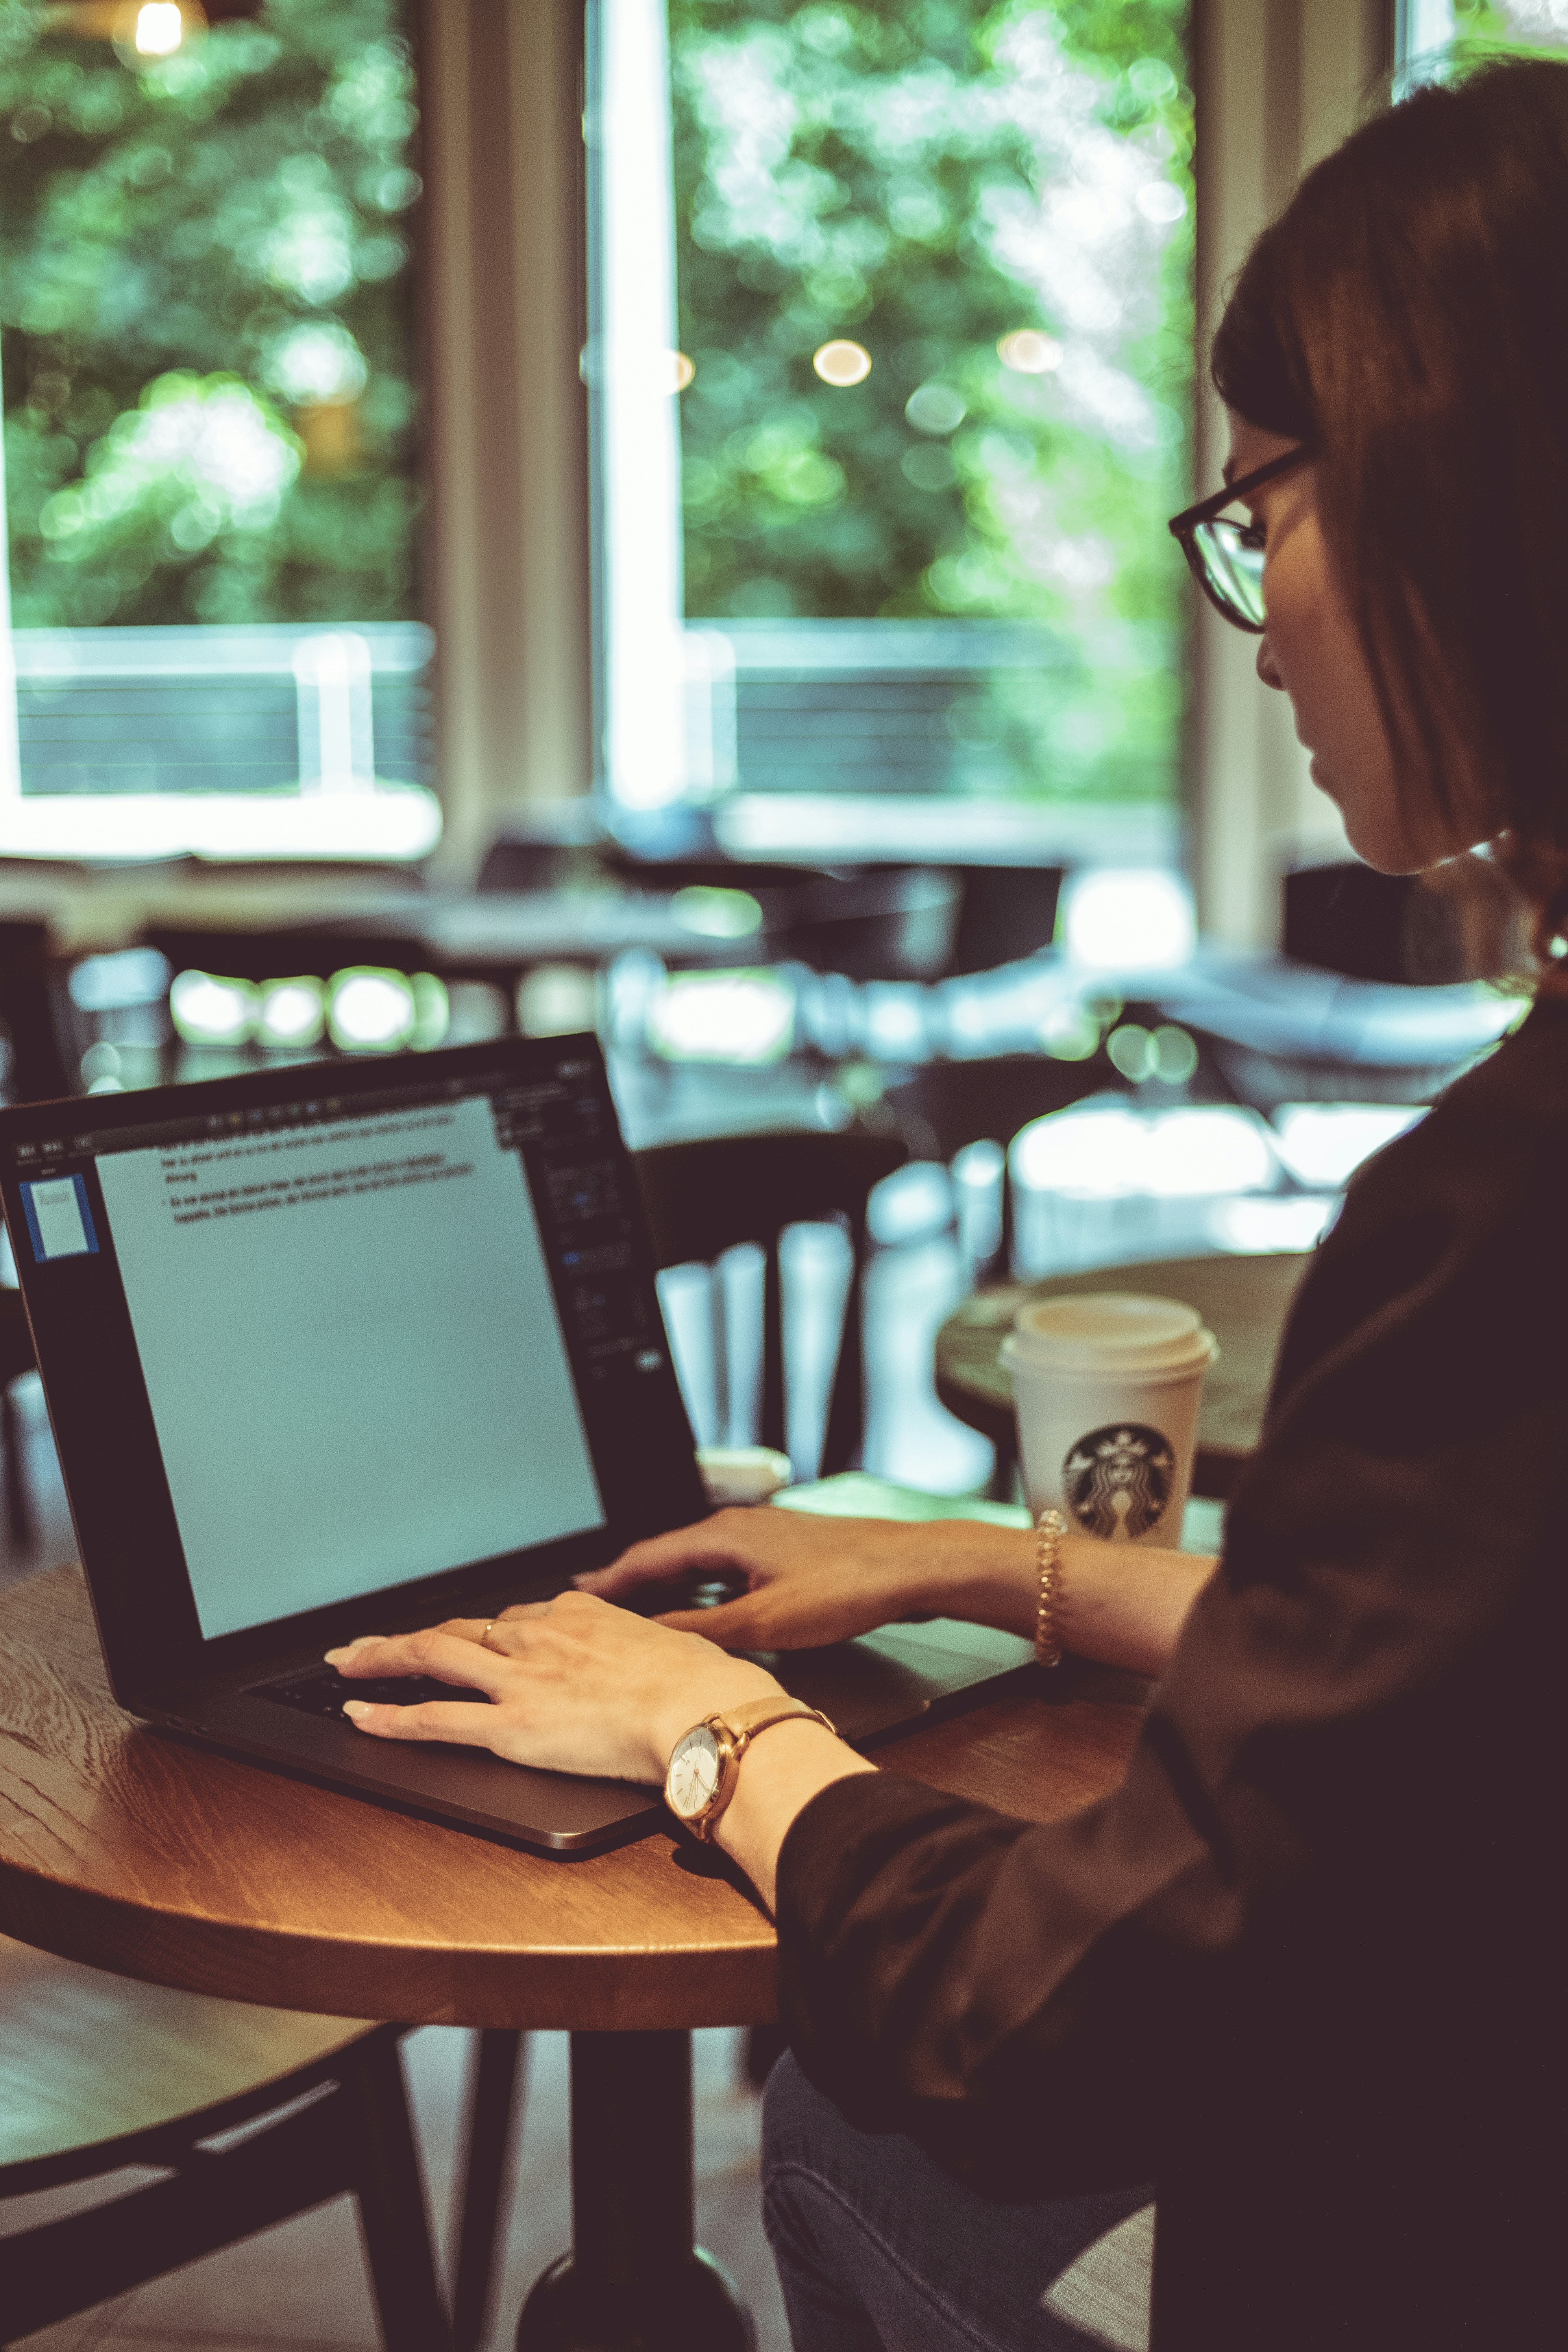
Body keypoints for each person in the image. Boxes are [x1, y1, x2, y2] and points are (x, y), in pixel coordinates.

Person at [327, 57, 1566, 2351]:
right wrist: (1001, 1564)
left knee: (854, 2122)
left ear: (1450, 500)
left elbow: (1042, 2020)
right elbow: (1464, 1694)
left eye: (1260, 508)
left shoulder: (1504, 1214)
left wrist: (708, 1736)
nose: (1259, 617)